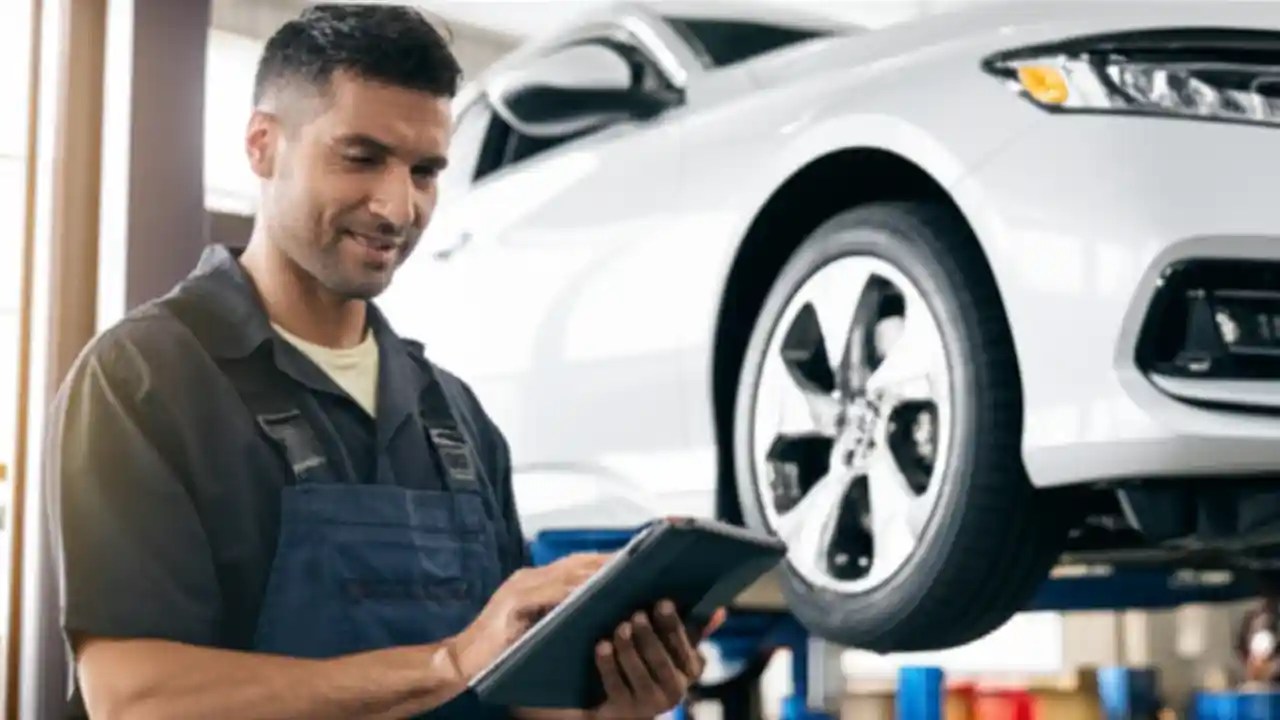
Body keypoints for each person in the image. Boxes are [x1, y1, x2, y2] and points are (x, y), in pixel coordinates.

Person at [44, 5, 719, 719]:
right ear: (262, 145)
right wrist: (447, 662)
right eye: (360, 158)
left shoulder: (455, 418)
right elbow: (136, 701)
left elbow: (507, 688)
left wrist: (607, 706)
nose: (398, 208)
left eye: (425, 171)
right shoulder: (141, 381)